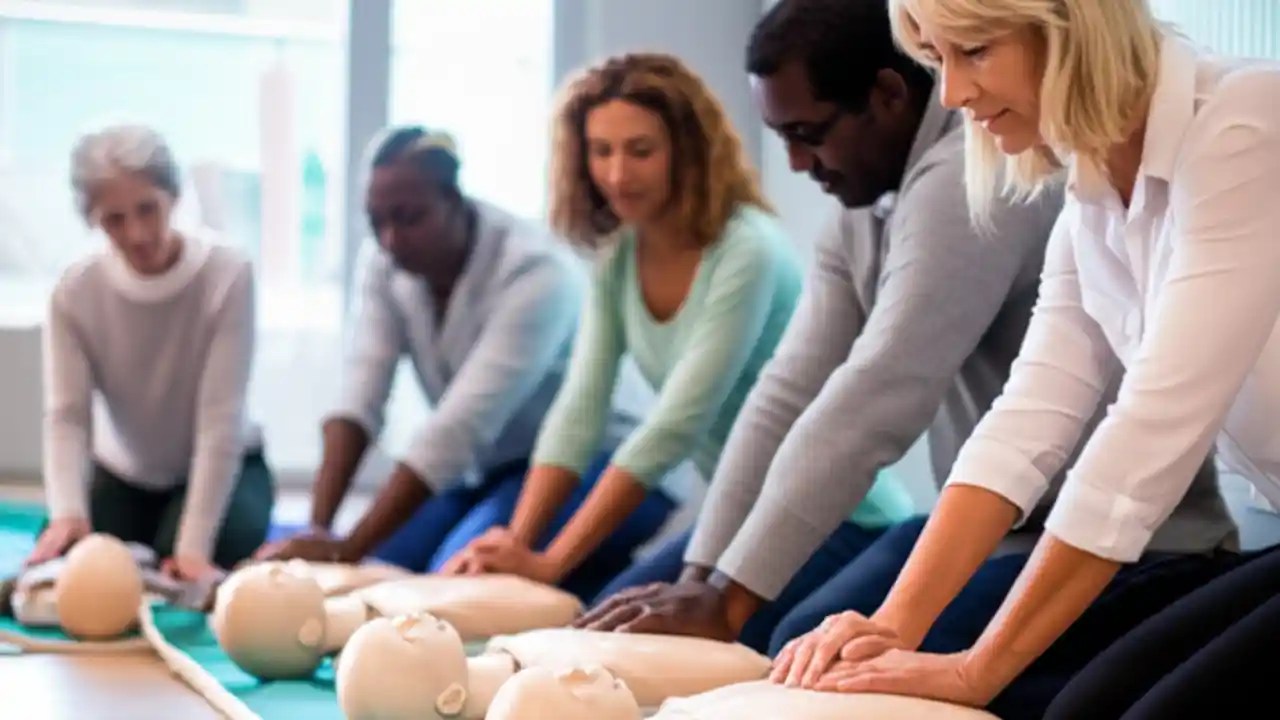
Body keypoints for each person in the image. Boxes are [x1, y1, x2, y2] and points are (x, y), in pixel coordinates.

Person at [577, 0, 1233, 670]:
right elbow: (787, 391)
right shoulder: (864, 213)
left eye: (809, 133)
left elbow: (879, 394)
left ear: (887, 98)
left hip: (1141, 547)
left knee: (818, 660)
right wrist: (703, 579)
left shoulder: (972, 177)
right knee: (799, 640)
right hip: (1006, 533)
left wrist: (731, 602)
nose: (798, 163)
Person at [772, 0, 1280, 718]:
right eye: (937, 59)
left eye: (974, 51)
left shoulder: (1244, 123)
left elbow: (1151, 432)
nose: (951, 95)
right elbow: (1026, 421)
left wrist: (977, 669)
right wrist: (891, 627)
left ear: (1075, 28)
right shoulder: (1092, 197)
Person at [441, 53, 806, 599]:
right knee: (597, 621)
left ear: (686, 153)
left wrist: (552, 562)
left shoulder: (747, 249)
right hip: (738, 521)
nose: (616, 174)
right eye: (600, 151)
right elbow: (578, 410)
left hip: (822, 514)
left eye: (640, 151)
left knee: (618, 635)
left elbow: (674, 426)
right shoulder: (619, 258)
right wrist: (518, 544)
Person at [256, 127, 663, 599]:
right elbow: (359, 397)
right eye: (377, 221)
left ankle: (593, 576)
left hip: (601, 465)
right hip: (492, 469)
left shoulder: (535, 270)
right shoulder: (386, 262)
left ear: (454, 200)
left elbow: (459, 426)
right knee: (381, 569)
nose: (391, 238)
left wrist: (346, 549)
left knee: (451, 581)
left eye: (409, 218)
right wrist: (321, 532)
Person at [27, 124, 274, 581]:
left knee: (182, 560)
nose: (138, 234)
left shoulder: (227, 274)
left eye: (148, 209)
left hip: (228, 465)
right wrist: (68, 514)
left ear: (173, 196)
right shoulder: (74, 291)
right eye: (114, 220)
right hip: (124, 474)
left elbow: (219, 421)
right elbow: (68, 417)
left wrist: (192, 548)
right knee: (74, 559)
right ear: (92, 220)